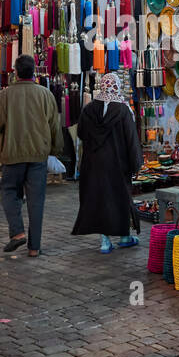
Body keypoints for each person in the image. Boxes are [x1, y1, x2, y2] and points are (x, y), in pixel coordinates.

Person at [0, 54, 62, 258]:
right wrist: (55, 150)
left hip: (13, 153)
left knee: (9, 191)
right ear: (34, 71)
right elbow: (55, 126)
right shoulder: (45, 94)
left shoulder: (5, 95)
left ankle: (17, 231)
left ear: (16, 72)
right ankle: (34, 247)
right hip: (38, 154)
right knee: (36, 201)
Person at [71, 73, 142, 253]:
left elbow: (80, 133)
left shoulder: (88, 109)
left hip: (93, 163)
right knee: (120, 198)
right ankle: (125, 237)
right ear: (116, 86)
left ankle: (105, 241)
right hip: (118, 164)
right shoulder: (123, 110)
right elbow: (132, 140)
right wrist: (136, 165)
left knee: (100, 199)